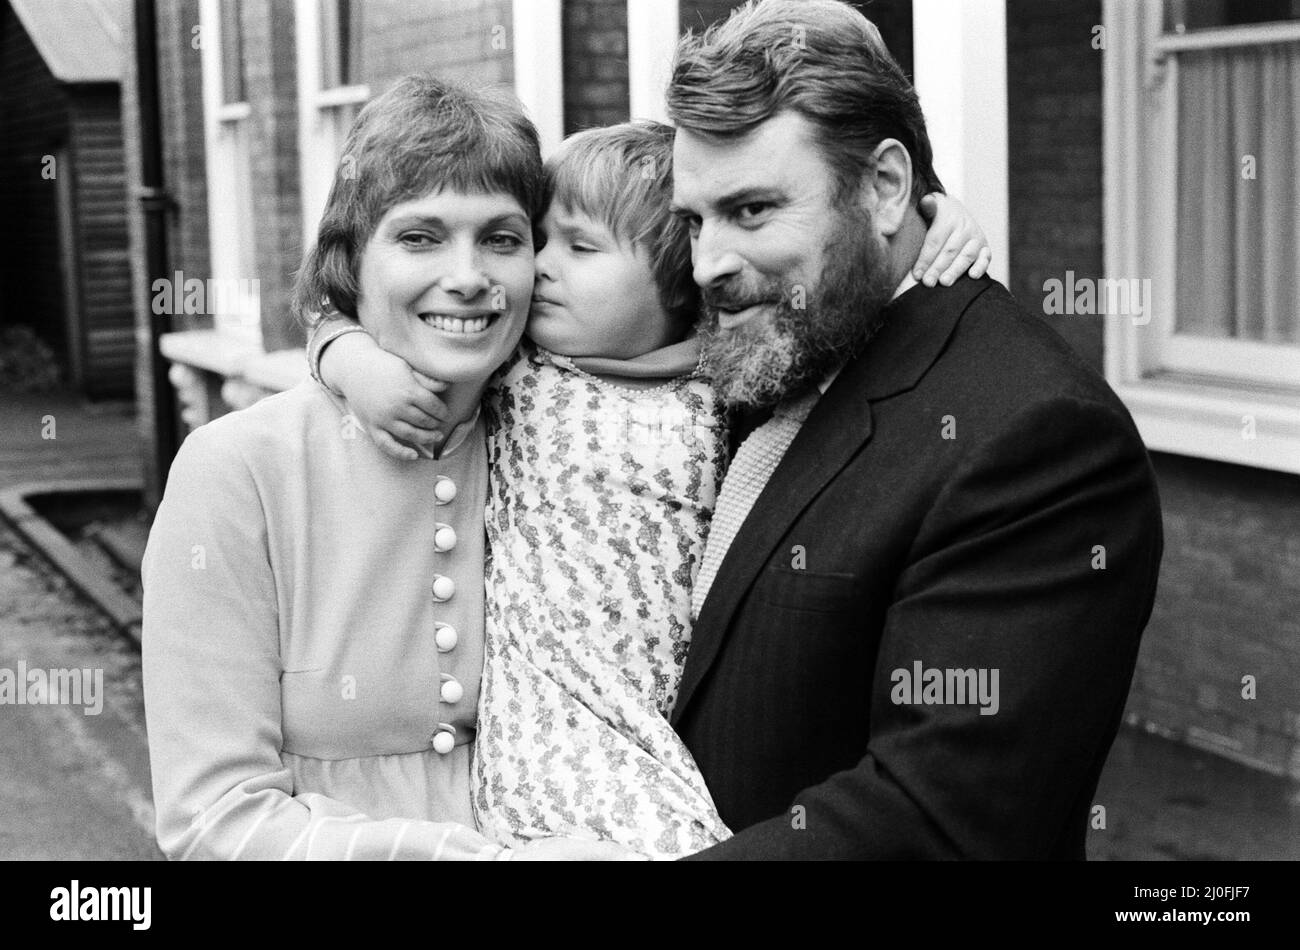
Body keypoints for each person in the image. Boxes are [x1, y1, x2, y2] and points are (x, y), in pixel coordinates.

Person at [311, 116, 990, 856]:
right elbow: (359, 304)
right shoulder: (519, 370)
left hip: (668, 746)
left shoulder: (730, 380)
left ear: (678, 284)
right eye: (538, 241)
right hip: (545, 739)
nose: (539, 266)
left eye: (581, 247)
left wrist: (931, 214)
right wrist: (347, 357)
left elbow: (856, 321)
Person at [660, 0, 1164, 860]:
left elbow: (940, 822)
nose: (707, 263)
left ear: (886, 188)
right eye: (694, 220)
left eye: (751, 211)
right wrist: (340, 348)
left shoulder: (1035, 438)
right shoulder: (785, 341)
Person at [141, 76, 633, 861]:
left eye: (502, 239)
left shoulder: (561, 435)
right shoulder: (238, 469)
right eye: (420, 237)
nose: (469, 275)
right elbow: (213, 821)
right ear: (350, 260)